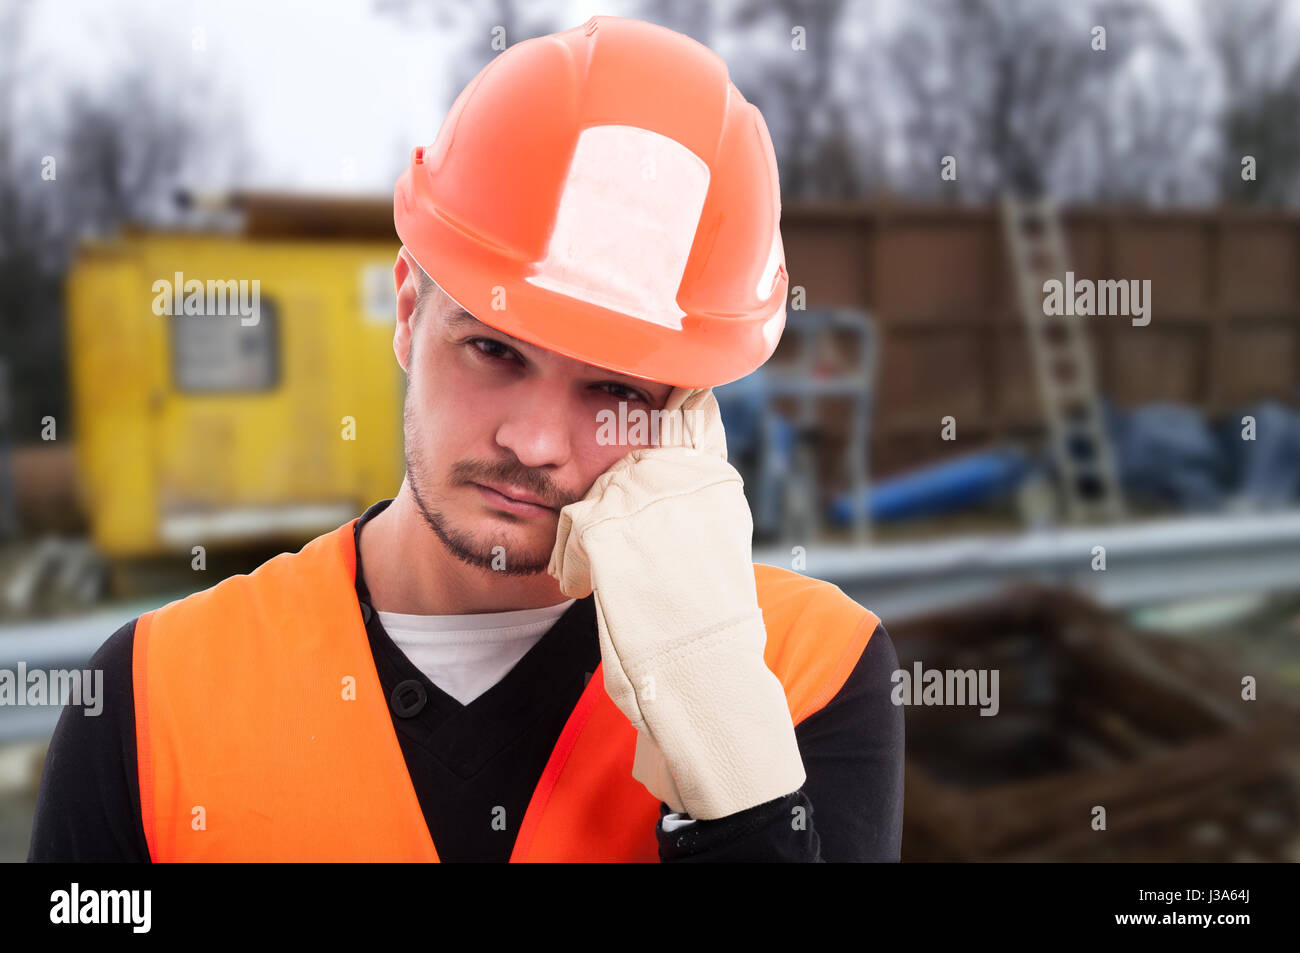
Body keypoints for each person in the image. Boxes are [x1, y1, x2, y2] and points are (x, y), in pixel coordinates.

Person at [28, 14, 903, 862]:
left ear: (689, 411)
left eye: (614, 388)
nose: (533, 440)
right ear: (409, 312)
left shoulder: (808, 673)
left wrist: (737, 779)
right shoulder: (152, 699)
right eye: (494, 350)